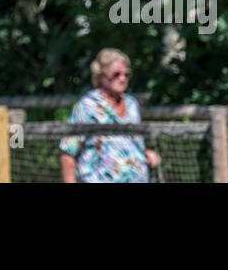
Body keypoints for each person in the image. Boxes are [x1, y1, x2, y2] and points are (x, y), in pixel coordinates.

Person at [59, 47, 162, 183]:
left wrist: (146, 154)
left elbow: (128, 145)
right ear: (100, 76)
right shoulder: (87, 106)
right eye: (116, 74)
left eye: (127, 75)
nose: (122, 79)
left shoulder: (132, 105)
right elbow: (68, 152)